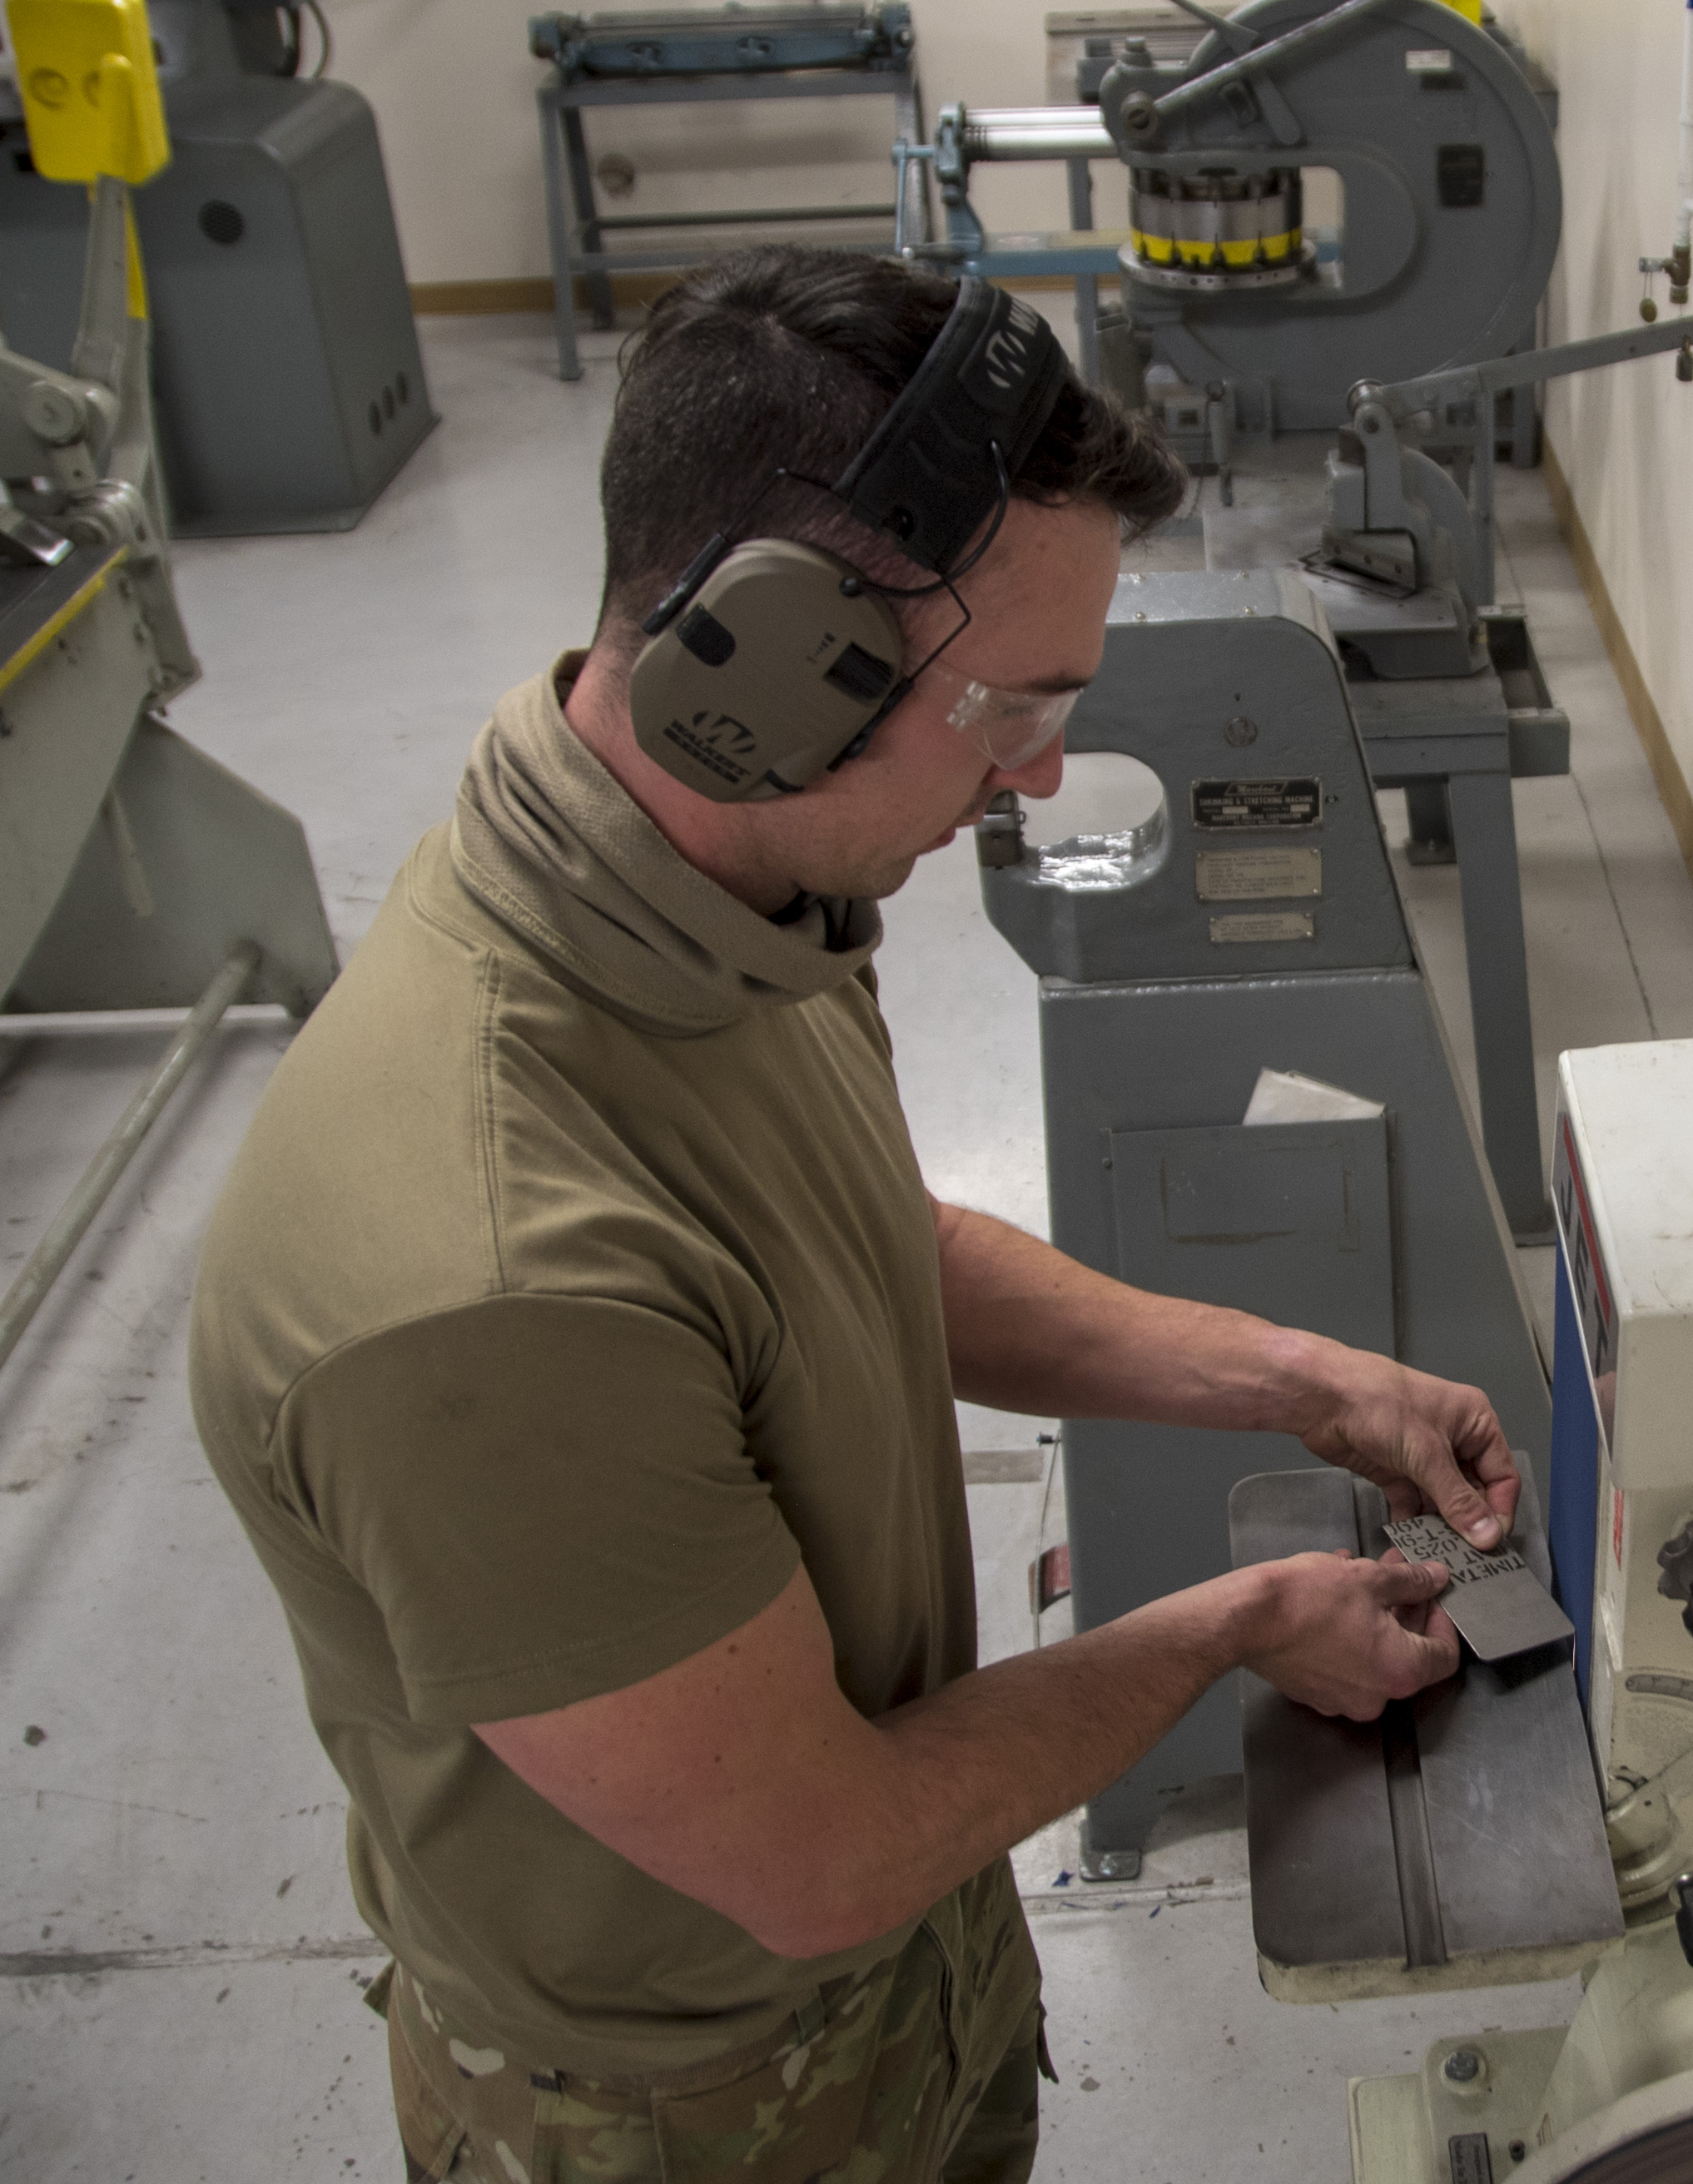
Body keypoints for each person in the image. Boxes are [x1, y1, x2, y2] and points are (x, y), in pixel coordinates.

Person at [189, 244, 1520, 2184]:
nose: (1046, 770)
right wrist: (1236, 1622)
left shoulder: (723, 899)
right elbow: (818, 1858)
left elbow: (860, 1251)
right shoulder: (480, 1287)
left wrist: (1298, 1382)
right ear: (765, 660)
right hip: (697, 2097)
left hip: (904, 1944)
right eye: (1011, 707)